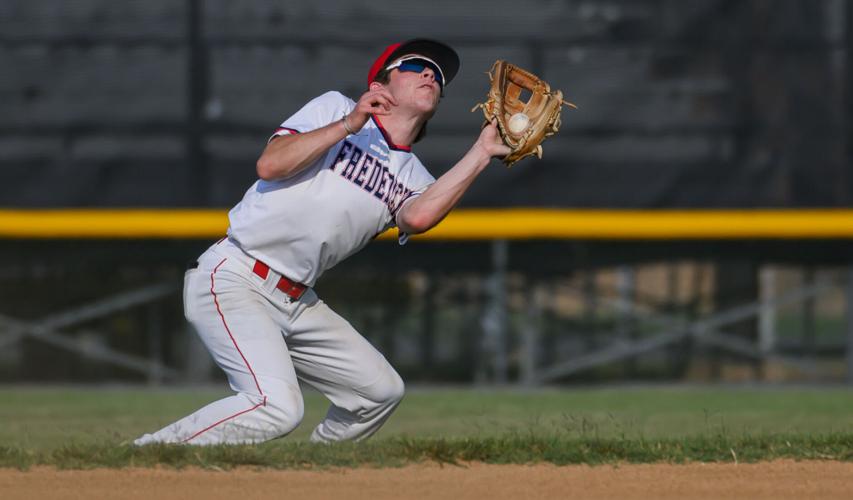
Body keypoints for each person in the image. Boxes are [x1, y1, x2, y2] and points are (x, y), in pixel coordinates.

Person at [134, 39, 511, 445]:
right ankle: (148, 454)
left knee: (379, 393)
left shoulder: (414, 176)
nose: (429, 75)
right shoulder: (334, 108)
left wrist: (482, 151)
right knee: (276, 407)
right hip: (236, 276)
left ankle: (314, 469)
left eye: (437, 75)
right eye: (415, 65)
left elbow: (417, 217)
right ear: (379, 84)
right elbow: (270, 164)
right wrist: (349, 124)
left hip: (297, 301)